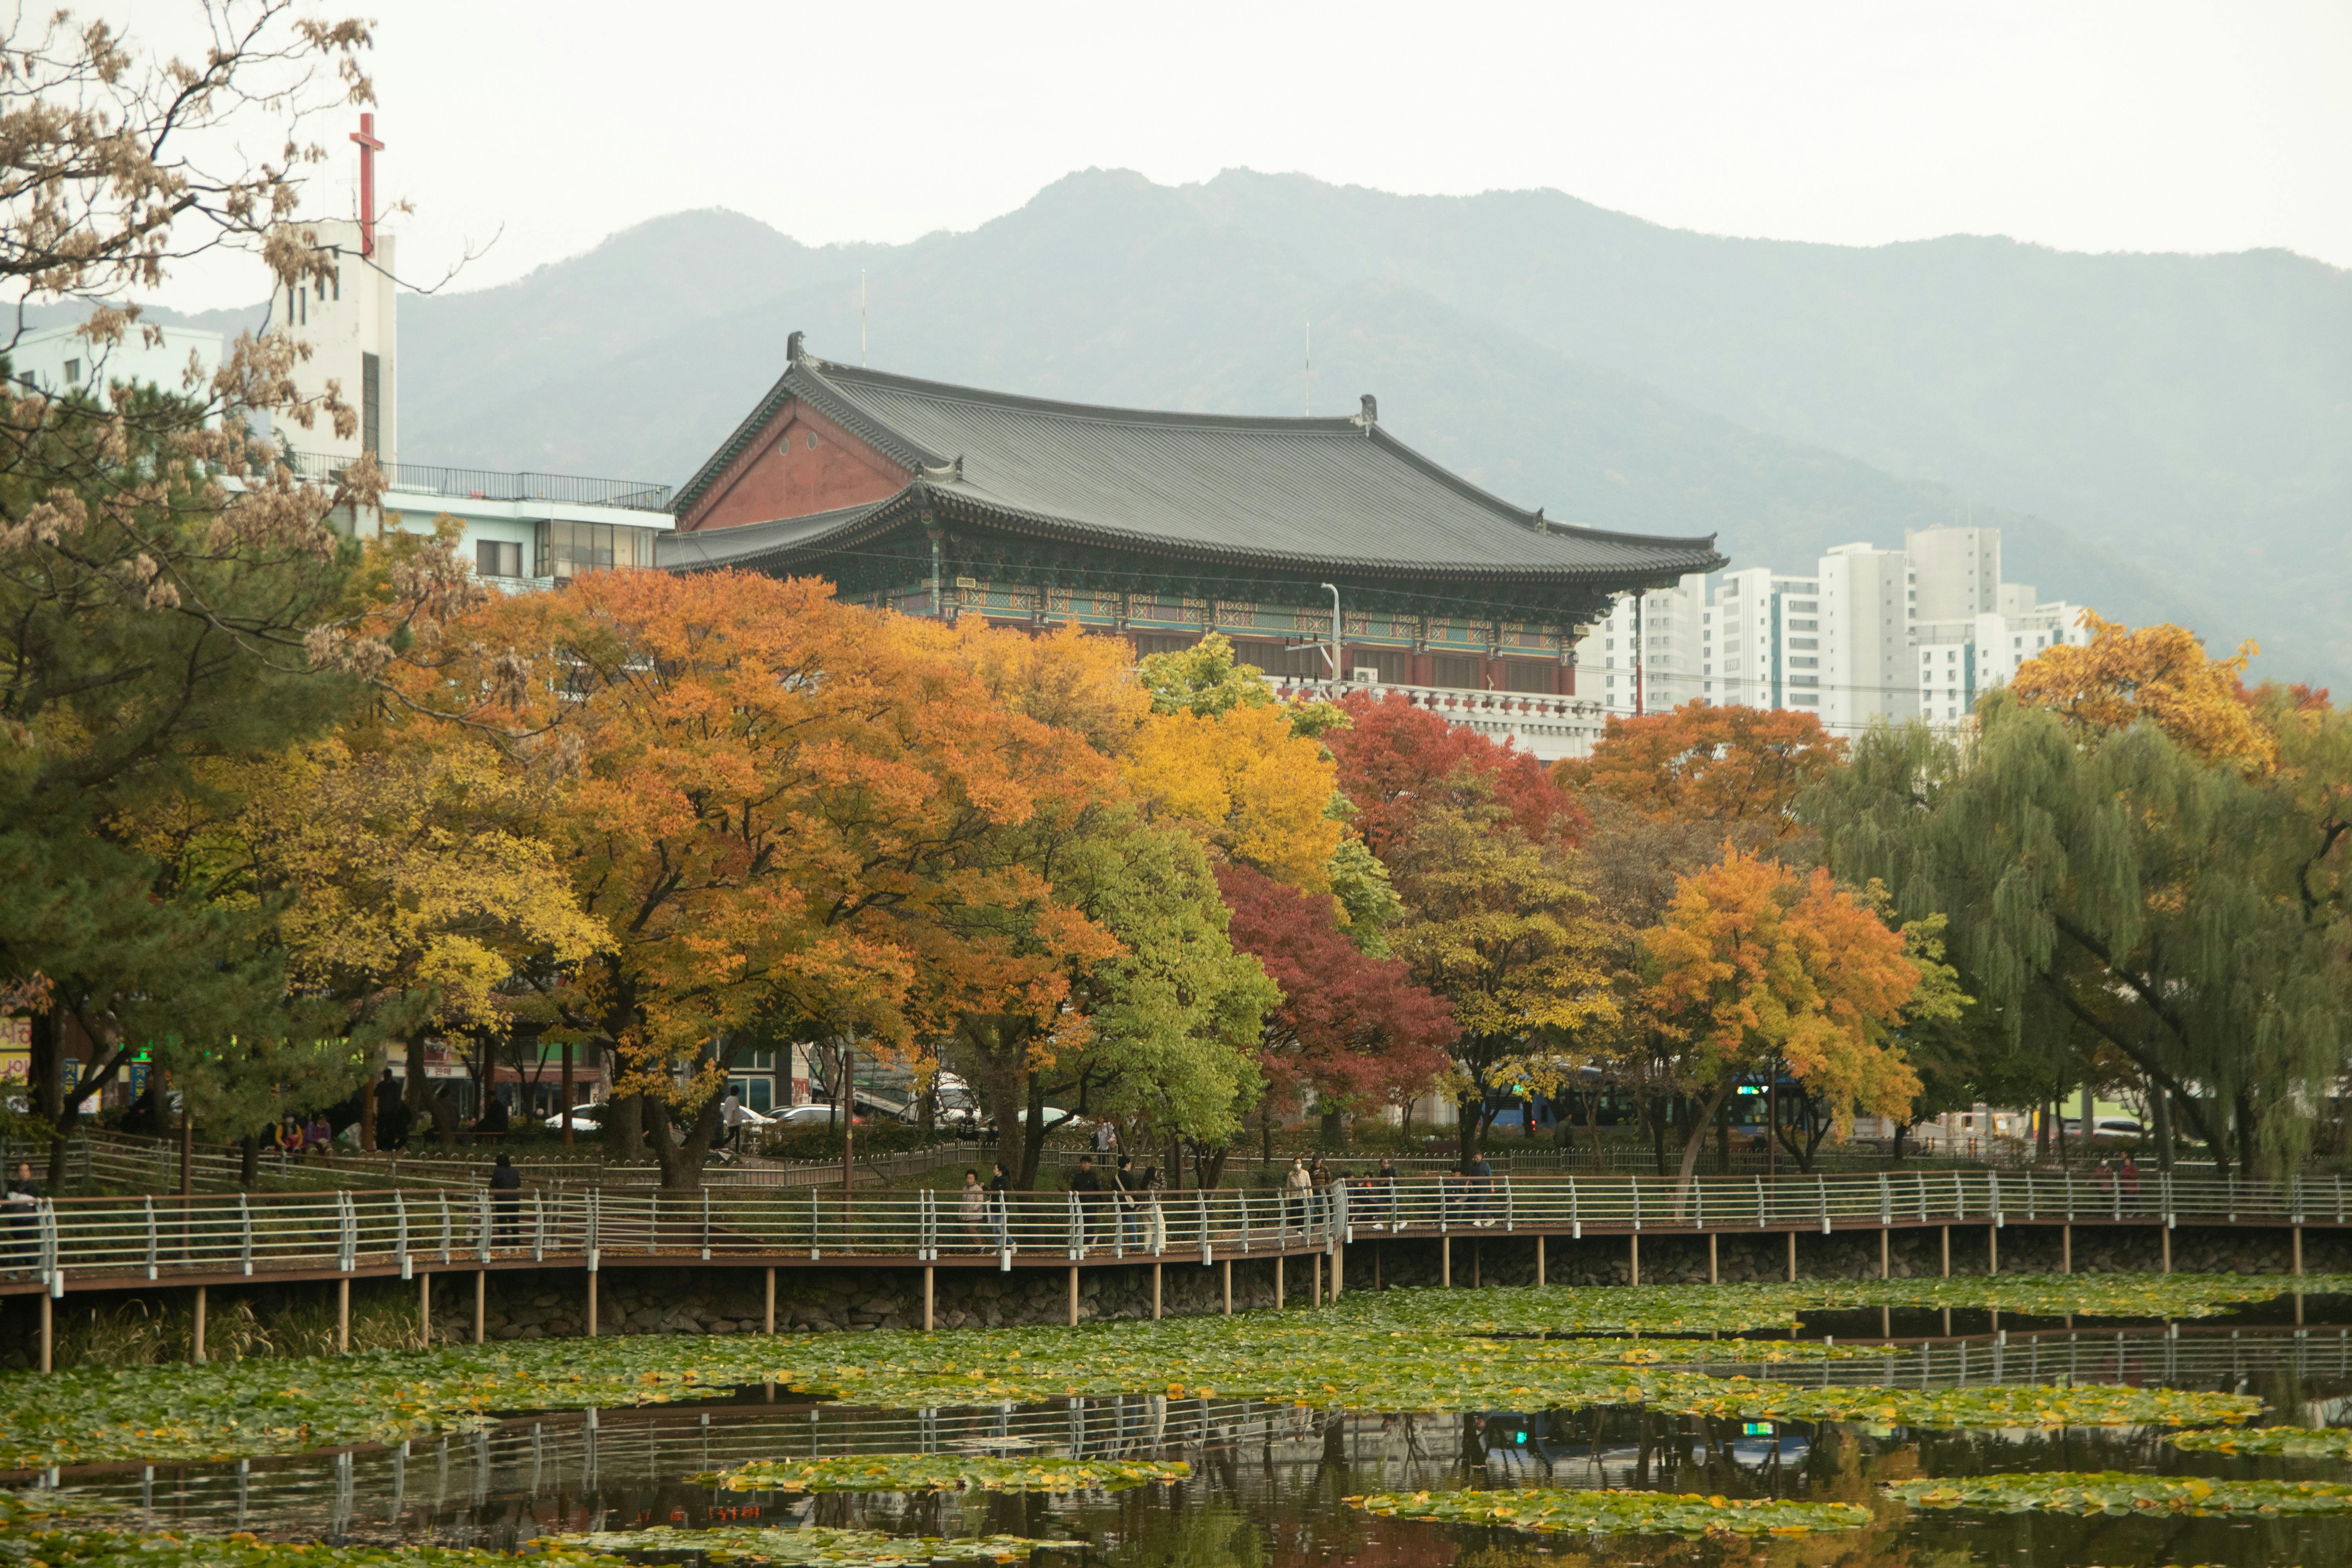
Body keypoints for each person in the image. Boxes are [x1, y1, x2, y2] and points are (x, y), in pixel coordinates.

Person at [4, 1162, 38, 1278]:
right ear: (18, 1173)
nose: (24, 1173)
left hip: (27, 1220)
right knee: (24, 1245)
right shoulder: (13, 1186)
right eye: (21, 1171)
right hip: (15, 1219)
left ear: (30, 1173)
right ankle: (34, 1269)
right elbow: (5, 1202)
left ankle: (14, 1271)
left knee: (22, 1244)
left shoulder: (34, 1188)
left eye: (26, 1171)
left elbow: (38, 1204)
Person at [1068, 1155, 1103, 1248]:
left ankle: (1087, 1244)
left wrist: (1103, 1204)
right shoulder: (1078, 1177)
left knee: (1089, 1224)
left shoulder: (1094, 1176)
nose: (1083, 1165)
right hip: (1081, 1204)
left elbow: (1099, 1189)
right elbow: (1073, 1189)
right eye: (1082, 1163)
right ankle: (1089, 1241)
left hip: (1091, 1204)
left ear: (1090, 1164)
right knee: (1081, 1224)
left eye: (1085, 1163)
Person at [490, 1151, 522, 1247]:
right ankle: (517, 1245)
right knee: (514, 1221)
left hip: (502, 1199)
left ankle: (505, 1245)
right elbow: (518, 1184)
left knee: (503, 1221)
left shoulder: (498, 1171)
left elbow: (493, 1185)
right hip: (515, 1199)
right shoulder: (515, 1171)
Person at [1112, 1155, 1138, 1251]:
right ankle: (1134, 1246)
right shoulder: (1129, 1176)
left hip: (1119, 1205)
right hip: (1129, 1205)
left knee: (1120, 1227)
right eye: (1130, 1163)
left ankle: (1120, 1246)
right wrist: (1137, 1203)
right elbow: (1133, 1191)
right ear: (1127, 1164)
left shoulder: (1116, 1178)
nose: (1131, 1165)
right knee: (1132, 1226)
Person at [1140, 1166, 1167, 1252]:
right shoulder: (1154, 1183)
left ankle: (1147, 1247)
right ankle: (1161, 1246)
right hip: (1153, 1207)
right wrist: (1162, 1177)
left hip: (1144, 1208)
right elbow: (1164, 1188)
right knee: (1161, 1225)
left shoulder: (1145, 1183)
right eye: (1156, 1172)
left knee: (1148, 1228)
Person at [958, 1168, 986, 1249]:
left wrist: (974, 1209)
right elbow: (963, 1201)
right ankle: (971, 1249)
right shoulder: (965, 1188)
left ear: (975, 1179)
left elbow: (980, 1201)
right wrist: (960, 1212)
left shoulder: (978, 1189)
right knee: (967, 1231)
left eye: (971, 1179)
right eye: (968, 1178)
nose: (969, 1180)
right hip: (966, 1214)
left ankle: (979, 1246)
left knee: (971, 1229)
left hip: (975, 1214)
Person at [985, 1161, 1011, 1248]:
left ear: (1000, 1171)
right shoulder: (995, 1181)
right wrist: (984, 1188)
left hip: (1003, 1208)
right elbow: (992, 1194)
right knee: (995, 1230)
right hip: (995, 1207)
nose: (994, 1170)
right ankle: (998, 1248)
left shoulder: (1006, 1181)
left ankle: (1011, 1243)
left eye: (995, 1169)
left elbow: (1007, 1193)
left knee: (1001, 1228)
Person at [1285, 1158, 1311, 1235]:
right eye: (1296, 1163)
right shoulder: (1291, 1174)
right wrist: (1287, 1198)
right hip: (1294, 1196)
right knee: (1294, 1212)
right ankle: (1295, 1225)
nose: (1297, 1165)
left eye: (1299, 1163)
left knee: (1302, 1213)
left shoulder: (1306, 1173)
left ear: (1301, 1164)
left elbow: (1309, 1184)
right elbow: (1288, 1187)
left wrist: (1310, 1195)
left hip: (1303, 1196)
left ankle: (1300, 1229)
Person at [1469, 1151, 1495, 1226]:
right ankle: (1490, 1219)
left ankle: (1477, 1220)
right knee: (1482, 1205)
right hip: (1476, 1188)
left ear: (1481, 1157)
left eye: (1477, 1158)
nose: (1476, 1159)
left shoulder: (1486, 1165)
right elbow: (1470, 1176)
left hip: (1484, 1188)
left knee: (1480, 1203)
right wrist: (1467, 1185)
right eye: (1475, 1158)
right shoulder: (1473, 1165)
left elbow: (1491, 1176)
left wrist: (1492, 1187)